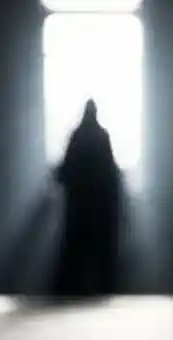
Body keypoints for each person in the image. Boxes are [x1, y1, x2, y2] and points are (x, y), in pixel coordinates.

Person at [54, 99, 122, 295]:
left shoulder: (77, 136)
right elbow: (111, 175)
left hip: (79, 207)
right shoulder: (101, 137)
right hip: (98, 208)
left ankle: (70, 292)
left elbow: (65, 171)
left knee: (75, 253)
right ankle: (102, 291)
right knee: (101, 256)